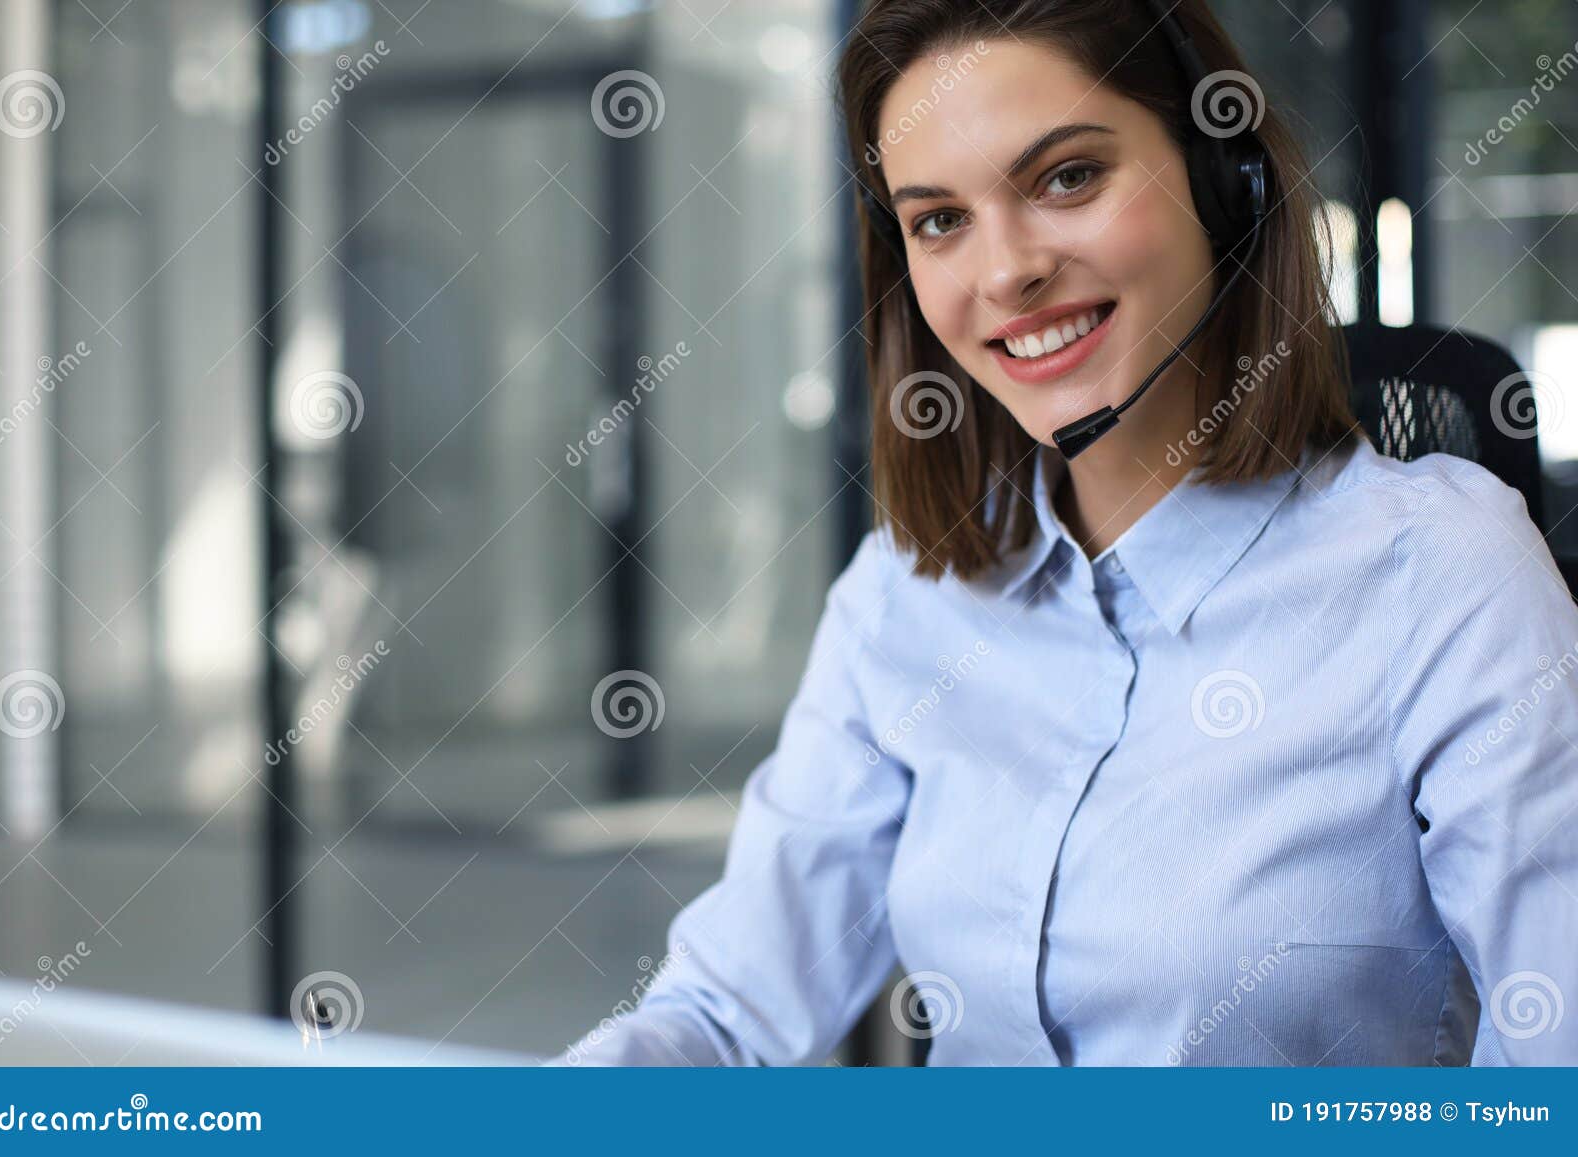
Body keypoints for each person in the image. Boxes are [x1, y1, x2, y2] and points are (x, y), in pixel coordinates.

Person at [556, 0, 1578, 1065]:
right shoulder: (906, 589)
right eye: (939, 220)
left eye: (1067, 177)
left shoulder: (1440, 576)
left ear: (1222, 181)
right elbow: (724, 1010)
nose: (1005, 273)